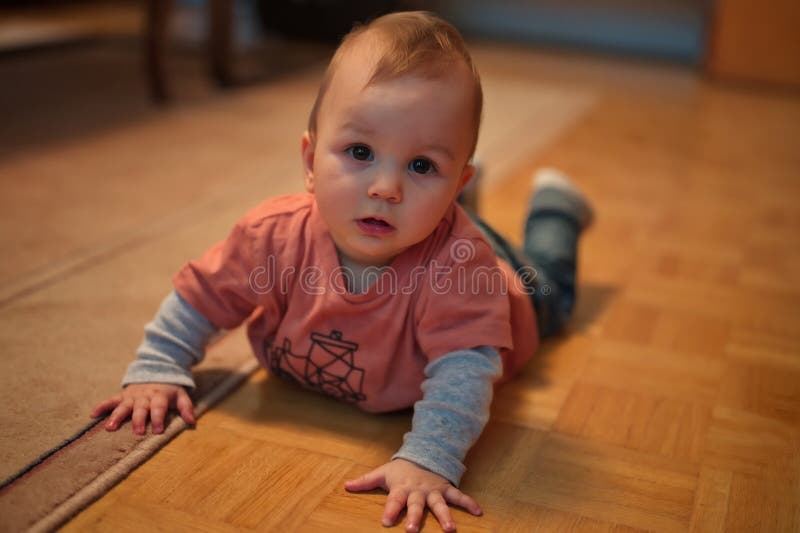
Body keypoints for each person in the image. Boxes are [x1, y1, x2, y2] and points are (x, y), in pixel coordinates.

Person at [90, 11, 592, 533]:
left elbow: (465, 369)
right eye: (360, 152)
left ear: (453, 180)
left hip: (506, 289)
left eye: (421, 166)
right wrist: (158, 365)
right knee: (424, 217)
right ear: (309, 161)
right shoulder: (273, 237)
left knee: (549, 286)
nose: (384, 187)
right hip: (430, 224)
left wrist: (428, 459)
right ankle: (455, 196)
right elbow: (203, 294)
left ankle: (555, 210)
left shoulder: (462, 270)